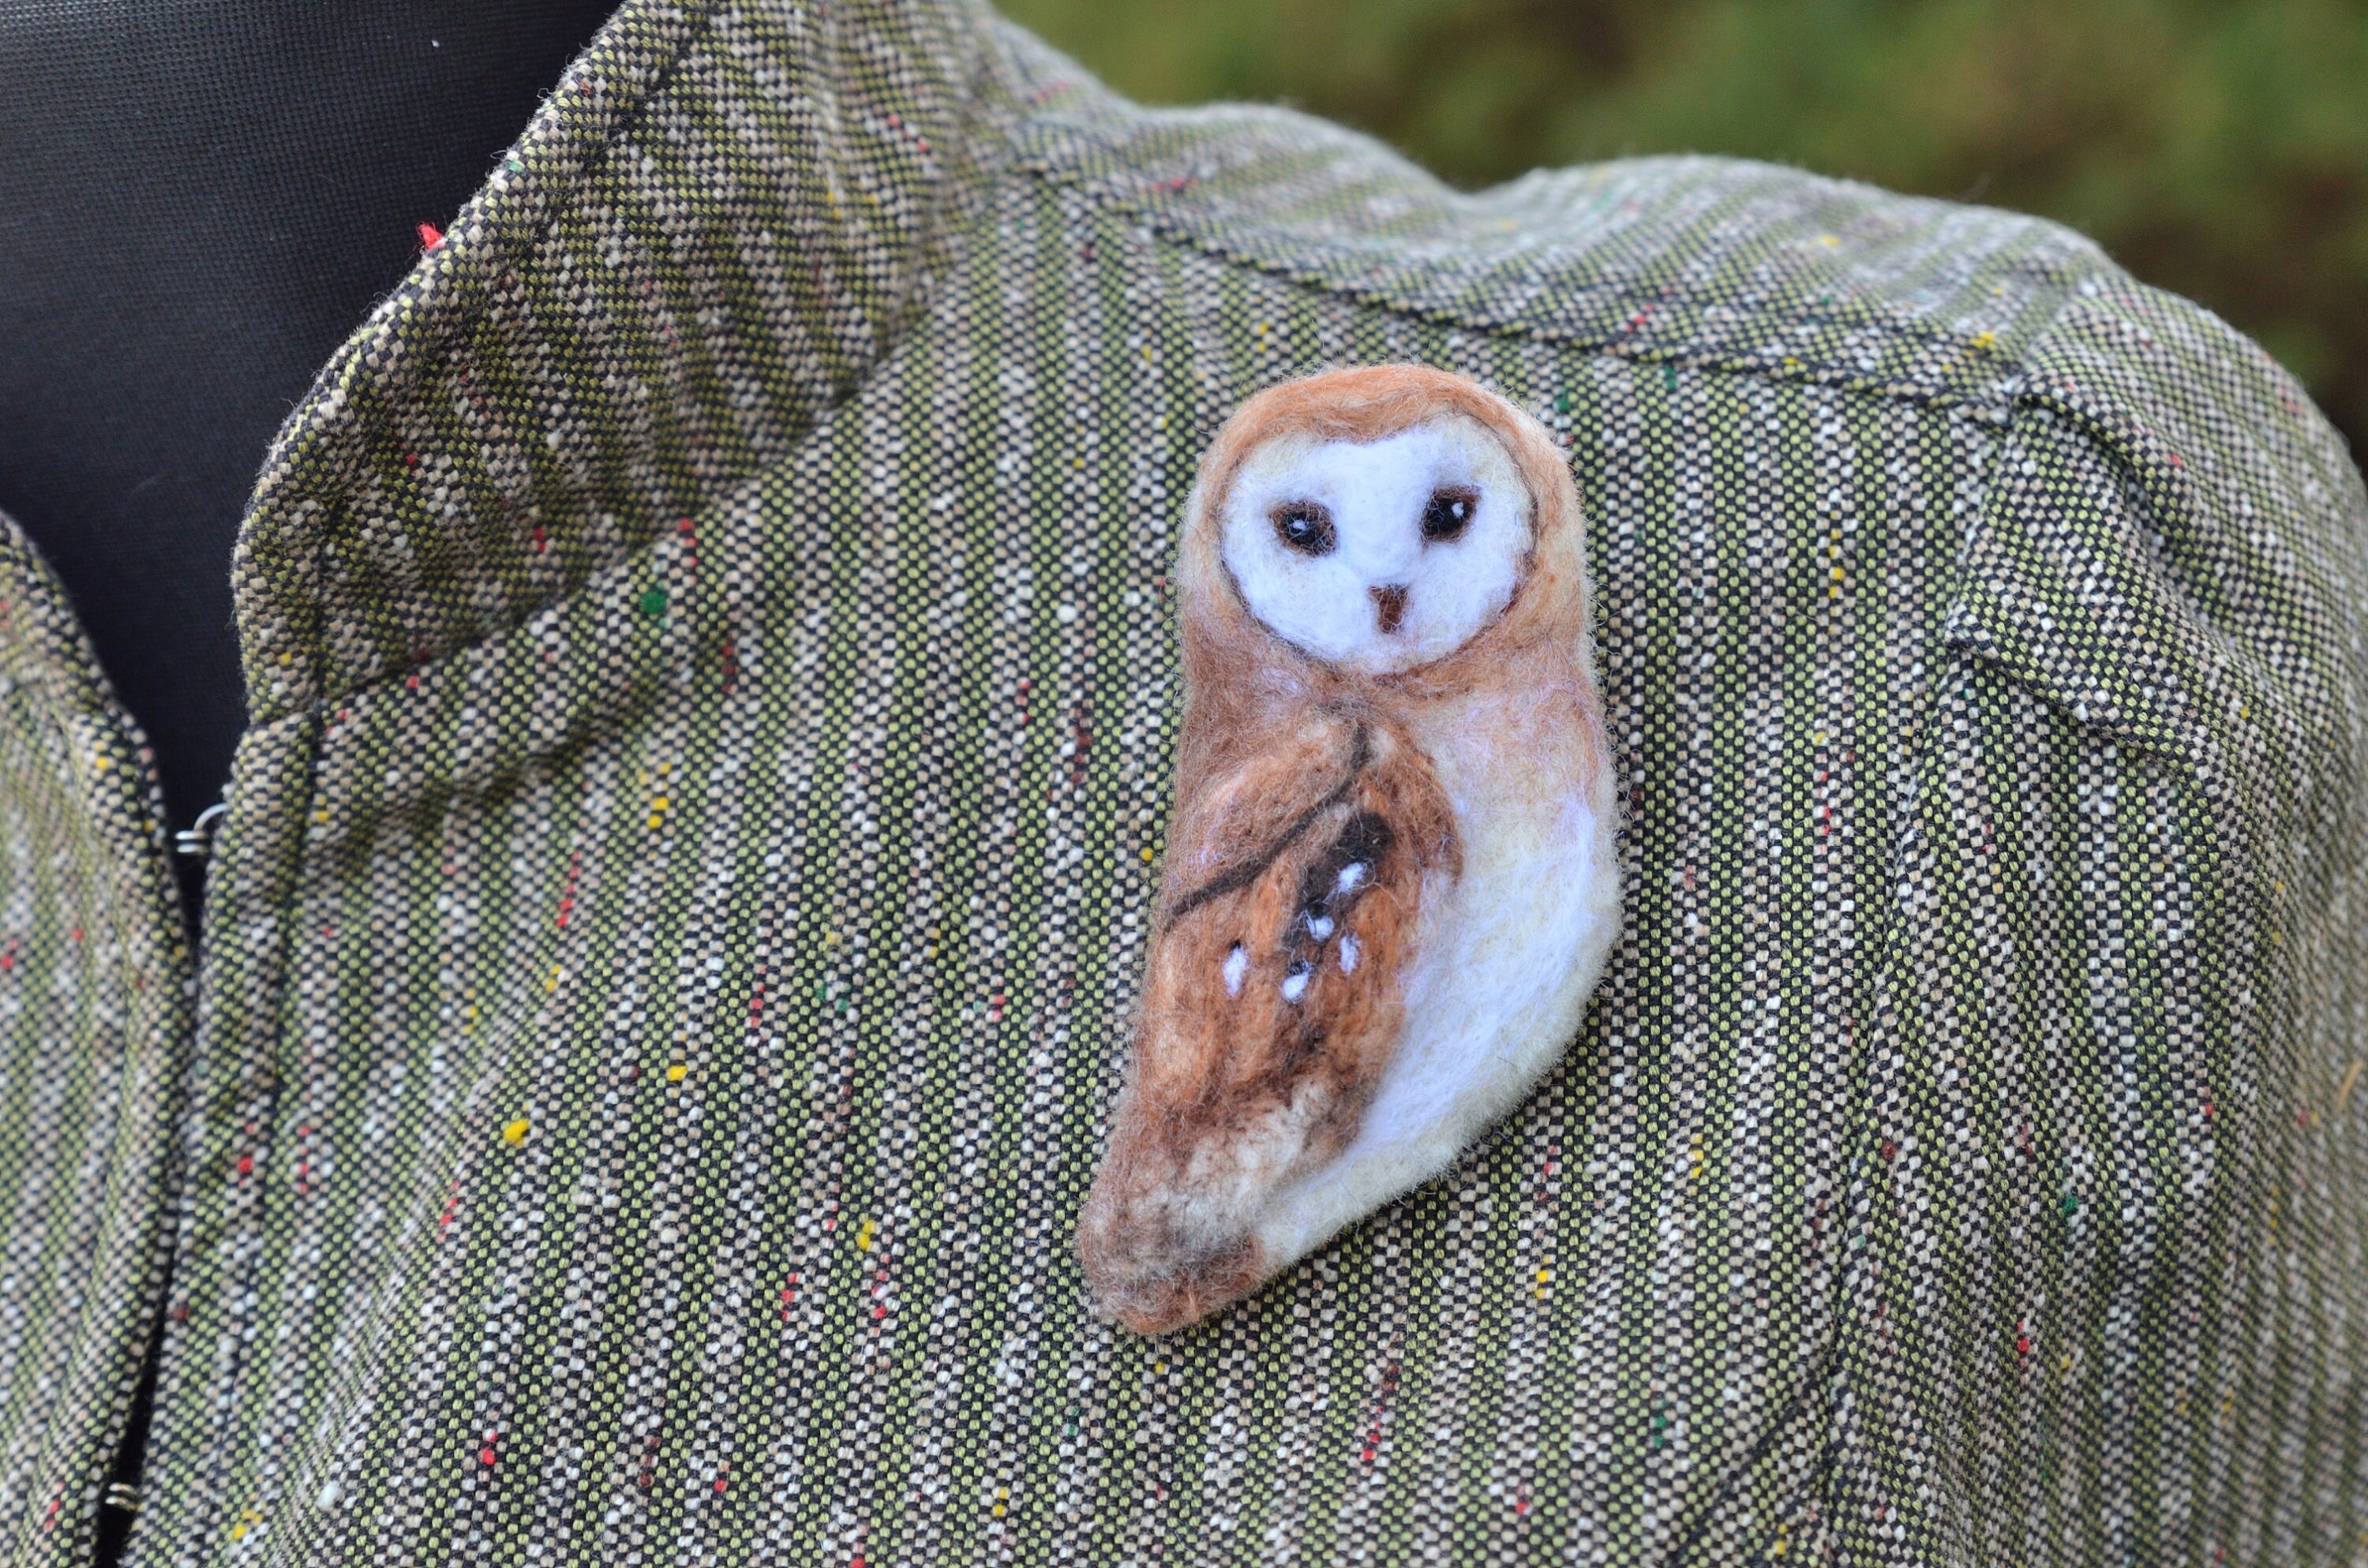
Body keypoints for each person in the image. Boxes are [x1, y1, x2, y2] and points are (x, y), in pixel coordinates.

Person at [0, 0, 2359, 1562]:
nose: (1396, 597)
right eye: (1318, 547)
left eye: (1438, 530)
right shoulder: (1344, 807)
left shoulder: (1956, 555)